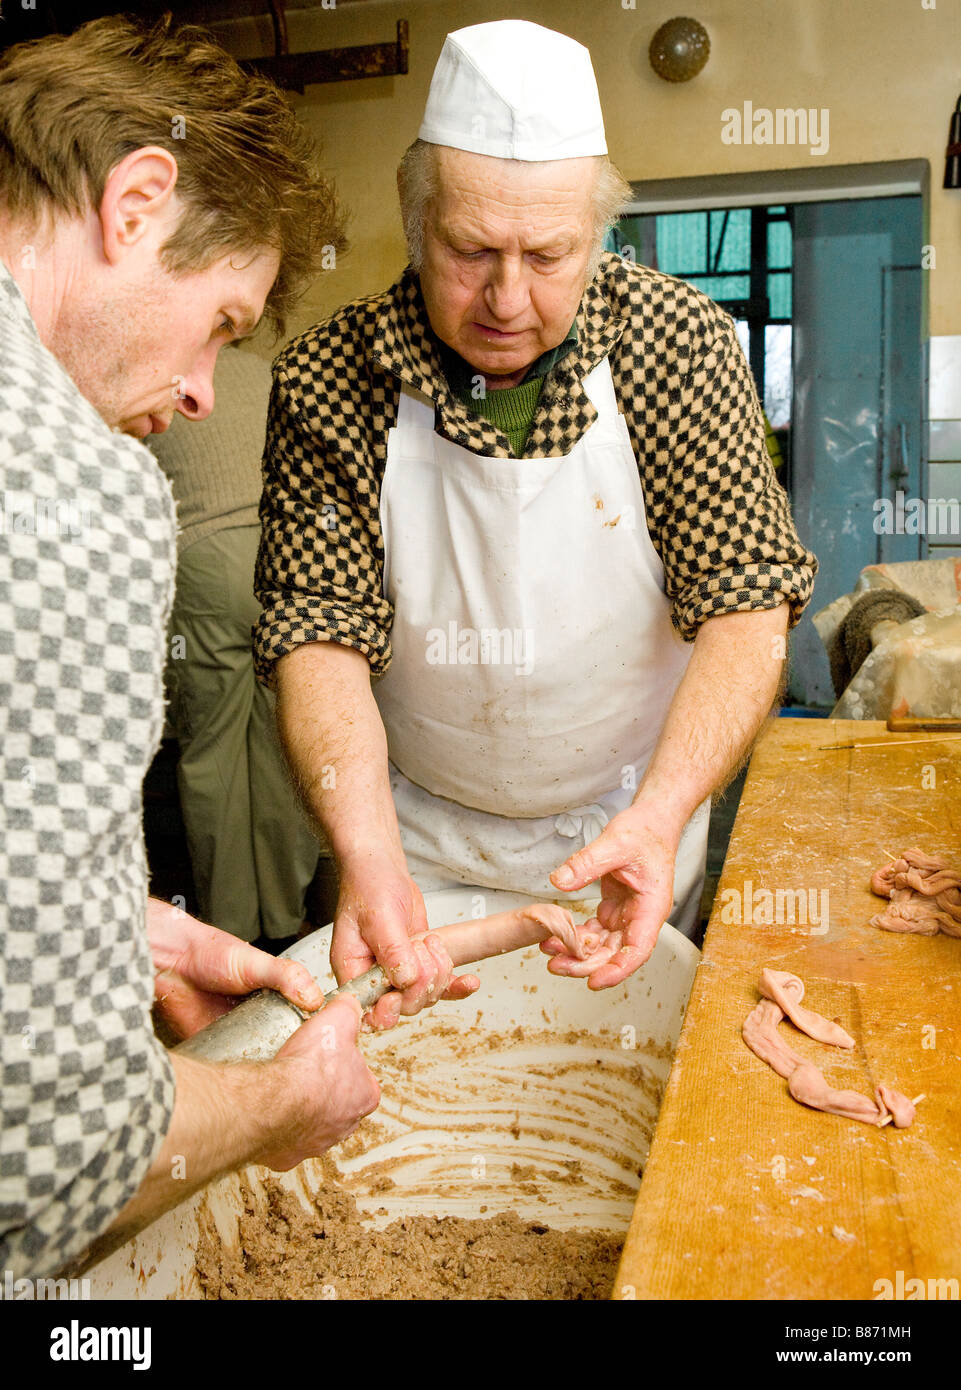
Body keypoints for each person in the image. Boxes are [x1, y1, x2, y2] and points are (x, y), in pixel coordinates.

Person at [0, 15, 451, 1281]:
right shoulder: (73, 487)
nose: (204, 392)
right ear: (136, 202)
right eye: (218, 319)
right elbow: (51, 1157)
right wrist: (272, 1105)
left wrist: (101, 925)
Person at [255, 19, 819, 1028]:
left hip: (626, 828)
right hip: (411, 836)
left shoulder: (677, 347)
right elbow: (316, 638)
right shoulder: (329, 375)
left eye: (548, 256)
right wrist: (368, 853)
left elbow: (746, 610)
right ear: (416, 221)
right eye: (471, 251)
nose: (507, 300)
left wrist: (658, 816)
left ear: (596, 236)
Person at [150, 349, 321, 945]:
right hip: (287, 551)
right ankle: (285, 924)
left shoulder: (154, 369)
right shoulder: (269, 367)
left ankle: (227, 932)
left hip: (204, 557)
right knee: (286, 750)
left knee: (213, 751)